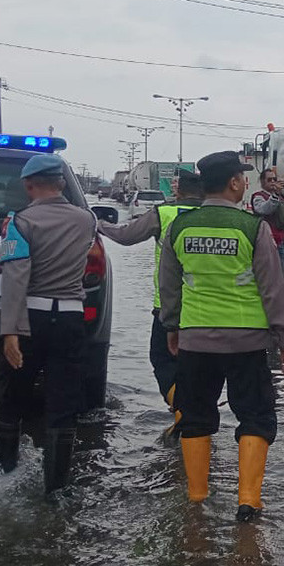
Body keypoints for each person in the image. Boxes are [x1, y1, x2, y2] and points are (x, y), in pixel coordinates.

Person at [159, 151, 284, 522]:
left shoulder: (179, 228)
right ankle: (249, 502)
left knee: (195, 416)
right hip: (247, 343)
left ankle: (196, 498)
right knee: (254, 416)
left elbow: (169, 286)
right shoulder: (252, 228)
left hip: (196, 340)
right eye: (242, 178)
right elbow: (273, 289)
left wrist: (172, 327)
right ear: (234, 183)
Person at [0, 154, 97, 493]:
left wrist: (10, 332)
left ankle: (4, 477)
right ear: (62, 183)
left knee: (13, 397)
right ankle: (55, 491)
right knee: (63, 406)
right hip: (70, 319)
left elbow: (16, 280)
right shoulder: (86, 219)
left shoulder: (20, 222)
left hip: (30, 320)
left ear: (28, 185)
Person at [97, 172, 204, 440]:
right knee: (199, 368)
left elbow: (126, 236)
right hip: (209, 310)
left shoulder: (164, 213)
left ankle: (184, 413)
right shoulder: (216, 216)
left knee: (163, 361)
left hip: (169, 308)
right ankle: (195, 419)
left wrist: (99, 225)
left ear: (179, 192)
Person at [250, 167, 284, 273]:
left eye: (274, 179)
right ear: (262, 181)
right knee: (268, 274)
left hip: (279, 242)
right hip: (265, 244)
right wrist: (275, 195)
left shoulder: (279, 198)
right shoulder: (258, 197)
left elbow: (283, 220)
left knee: (281, 274)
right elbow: (265, 209)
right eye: (269, 180)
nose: (272, 182)